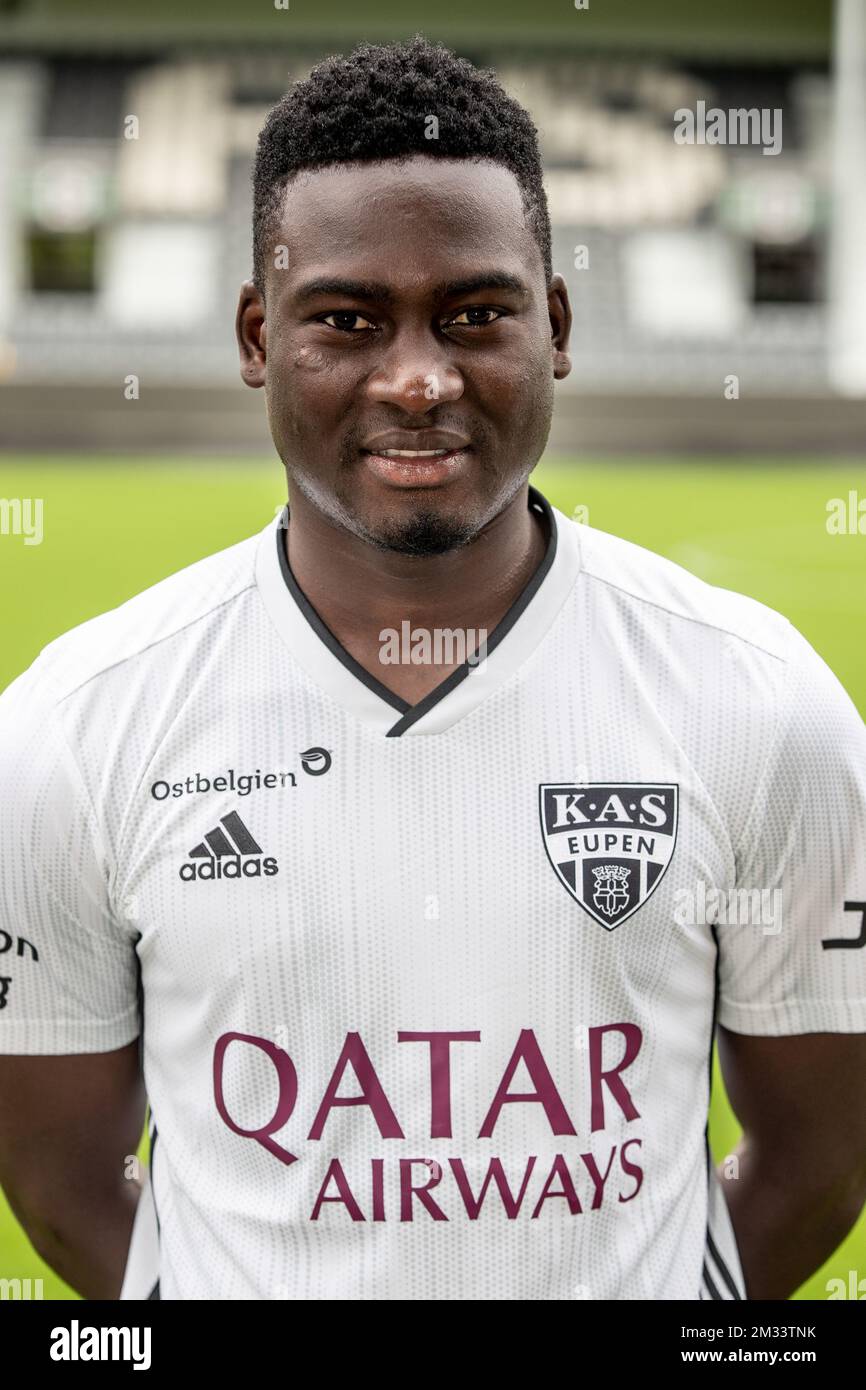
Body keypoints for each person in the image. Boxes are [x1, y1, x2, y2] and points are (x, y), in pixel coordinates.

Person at [1, 35, 865, 1303]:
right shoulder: (73, 729)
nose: (417, 379)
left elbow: (818, 1155)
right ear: (258, 337)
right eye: (346, 320)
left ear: (554, 325)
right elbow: (57, 1174)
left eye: (473, 313)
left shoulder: (760, 703)